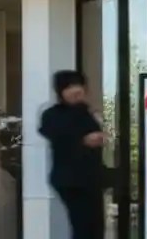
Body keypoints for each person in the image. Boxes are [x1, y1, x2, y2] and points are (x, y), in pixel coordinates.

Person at [38, 70, 105, 239]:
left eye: (79, 85)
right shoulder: (52, 114)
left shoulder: (87, 113)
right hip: (70, 179)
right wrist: (83, 140)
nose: (76, 90)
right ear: (60, 91)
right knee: (82, 225)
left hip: (92, 178)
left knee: (96, 226)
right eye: (70, 86)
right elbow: (55, 134)